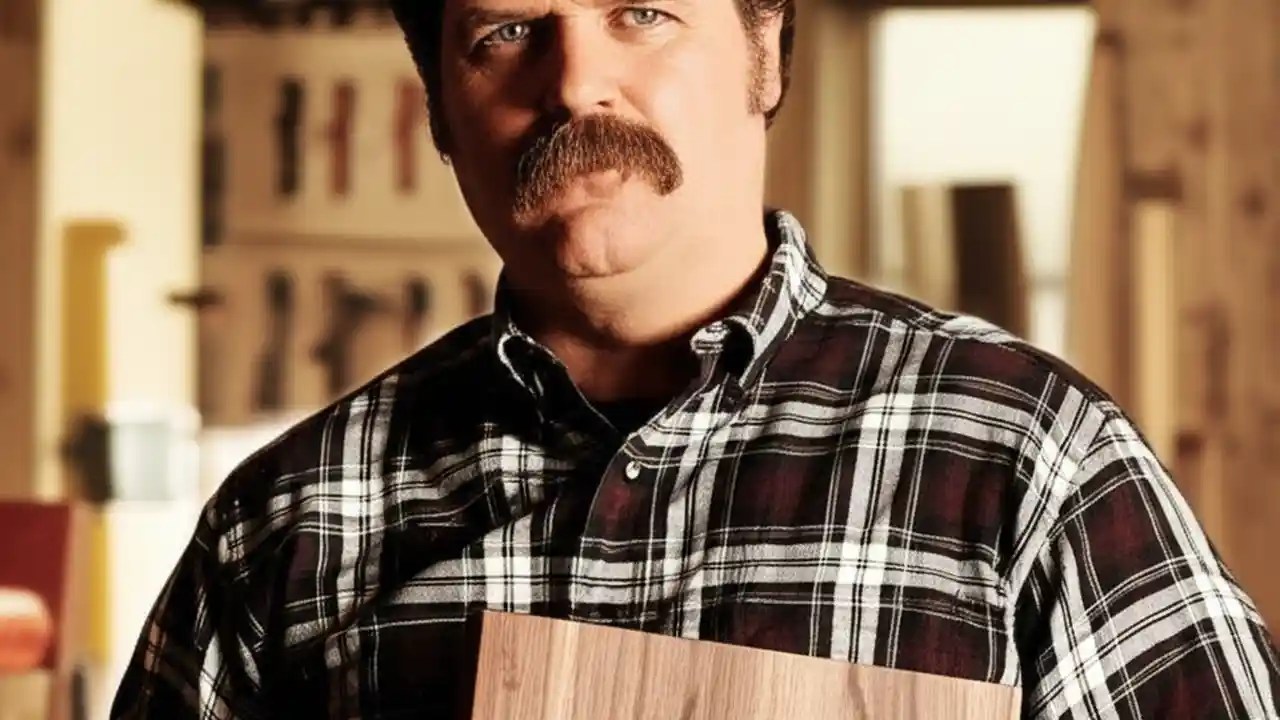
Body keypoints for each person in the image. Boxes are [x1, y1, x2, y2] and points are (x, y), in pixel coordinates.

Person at [112, 0, 1280, 717]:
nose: (573, 82)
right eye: (505, 32)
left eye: (642, 13)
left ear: (762, 49)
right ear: (437, 106)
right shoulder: (288, 516)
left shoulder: (1031, 459)